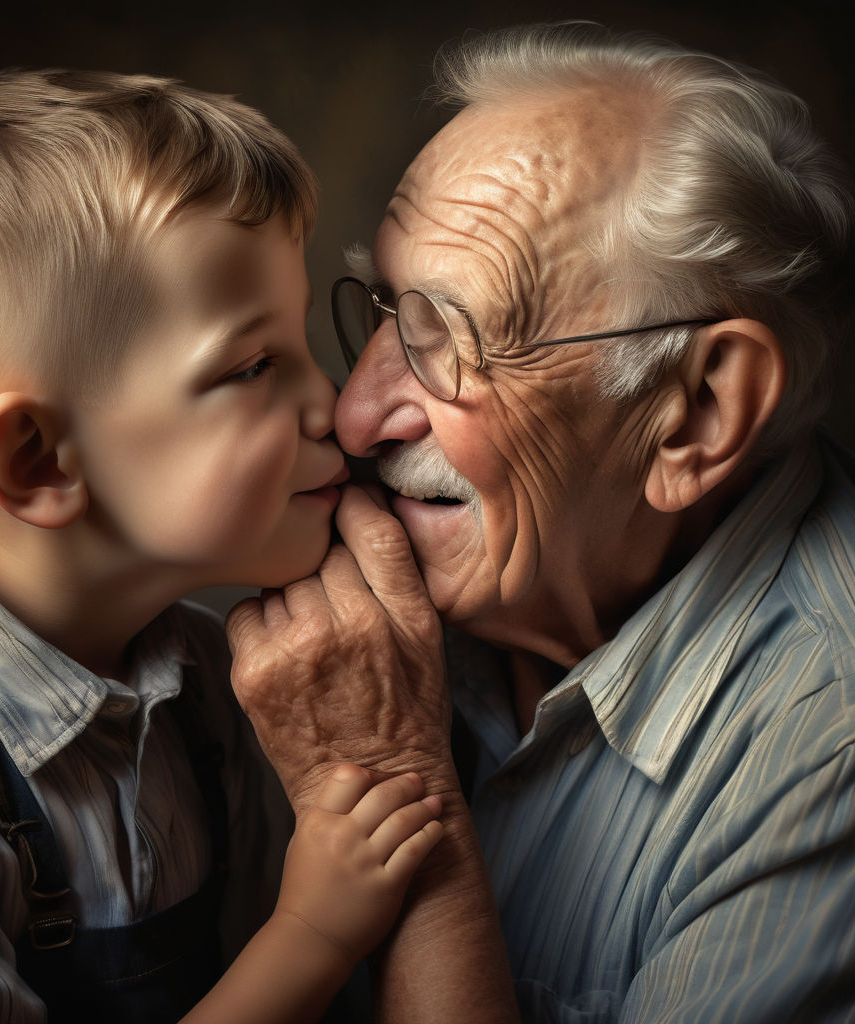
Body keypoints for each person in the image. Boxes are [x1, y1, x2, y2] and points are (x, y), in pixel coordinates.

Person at [227, 21, 855, 1023]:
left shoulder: (827, 743)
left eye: (450, 339)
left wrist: (397, 785)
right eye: (388, 309)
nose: (354, 412)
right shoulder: (368, 614)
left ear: (693, 411)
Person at [0, 69, 446, 1023]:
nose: (335, 402)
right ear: (38, 460)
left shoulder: (207, 676)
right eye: (252, 366)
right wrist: (312, 937)